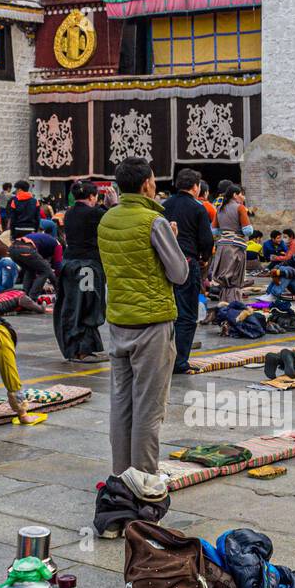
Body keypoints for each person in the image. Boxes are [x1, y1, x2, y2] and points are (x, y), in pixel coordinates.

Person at [97, 156, 189, 475]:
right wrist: (172, 240)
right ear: (147, 184)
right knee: (149, 409)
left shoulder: (107, 219)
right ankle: (144, 482)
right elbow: (179, 273)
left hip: (119, 320)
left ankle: (121, 476)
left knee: (122, 404)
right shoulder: (155, 222)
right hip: (152, 322)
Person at [163, 168, 216, 374]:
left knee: (169, 310)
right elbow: (206, 240)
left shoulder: (164, 206)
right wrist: (204, 259)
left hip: (166, 263)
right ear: (196, 187)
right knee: (186, 314)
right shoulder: (197, 207)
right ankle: (180, 361)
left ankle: (166, 356)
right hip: (187, 261)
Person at [55, 181, 107, 361]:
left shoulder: (69, 213)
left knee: (74, 305)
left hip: (69, 263)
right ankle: (83, 350)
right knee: (89, 305)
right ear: (92, 196)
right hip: (88, 267)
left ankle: (79, 348)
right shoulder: (95, 213)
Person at [207, 182, 251, 323]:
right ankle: (234, 312)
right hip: (236, 248)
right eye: (241, 194)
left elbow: (213, 230)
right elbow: (248, 230)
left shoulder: (219, 208)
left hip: (222, 248)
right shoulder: (240, 208)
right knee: (235, 281)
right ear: (235, 195)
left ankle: (223, 310)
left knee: (225, 281)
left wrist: (225, 231)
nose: (243, 197)